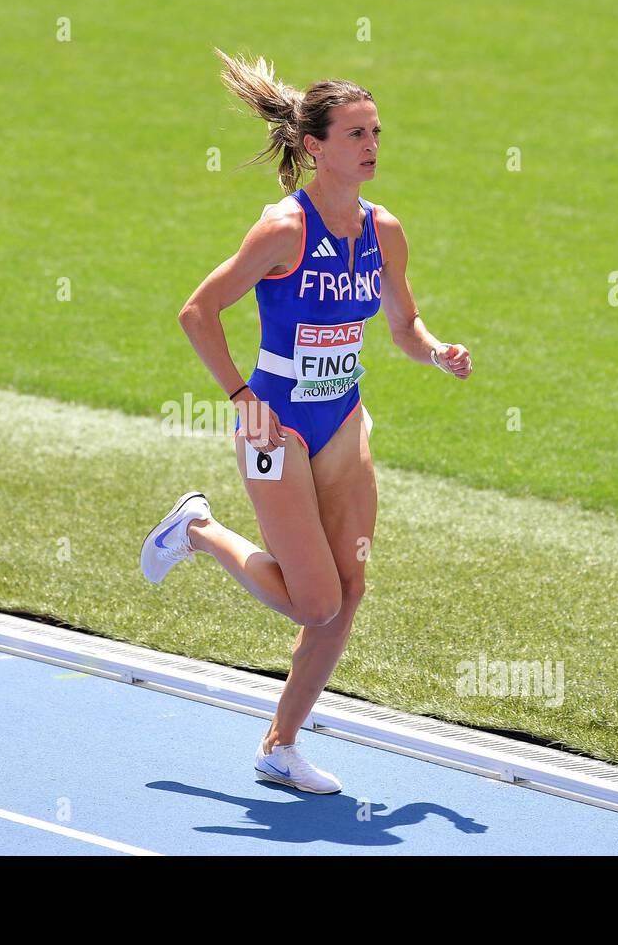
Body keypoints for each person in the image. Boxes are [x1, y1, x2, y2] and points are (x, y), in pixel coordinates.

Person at [141, 50, 472, 793]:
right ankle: (196, 531)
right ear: (314, 146)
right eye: (356, 134)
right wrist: (239, 397)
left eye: (377, 131)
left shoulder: (385, 231)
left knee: (347, 593)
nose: (373, 146)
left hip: (343, 416)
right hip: (277, 425)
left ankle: (280, 745)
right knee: (314, 599)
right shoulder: (283, 229)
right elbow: (197, 311)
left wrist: (436, 353)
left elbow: (403, 325)